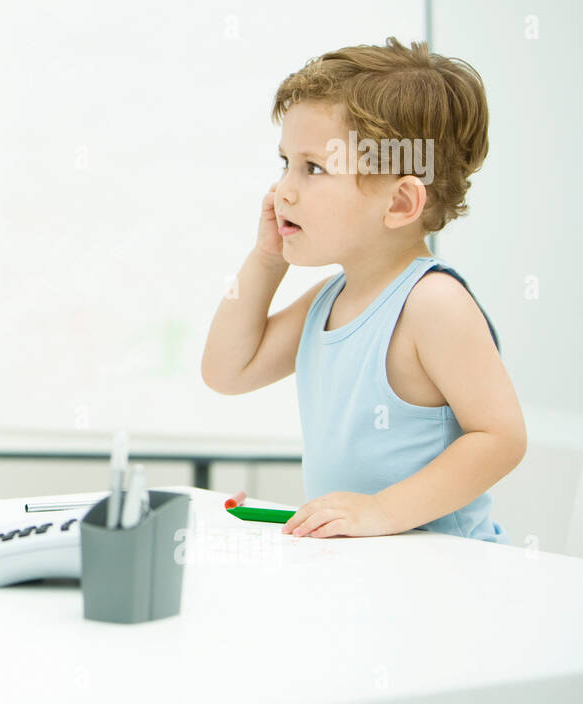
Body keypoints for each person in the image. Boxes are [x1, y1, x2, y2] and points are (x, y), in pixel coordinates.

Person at [200, 37, 525, 543]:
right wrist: (267, 259)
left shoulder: (433, 304)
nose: (283, 188)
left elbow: (501, 438)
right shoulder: (331, 299)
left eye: (313, 168)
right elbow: (227, 372)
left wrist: (382, 511)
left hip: (454, 574)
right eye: (285, 162)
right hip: (376, 570)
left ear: (398, 203)